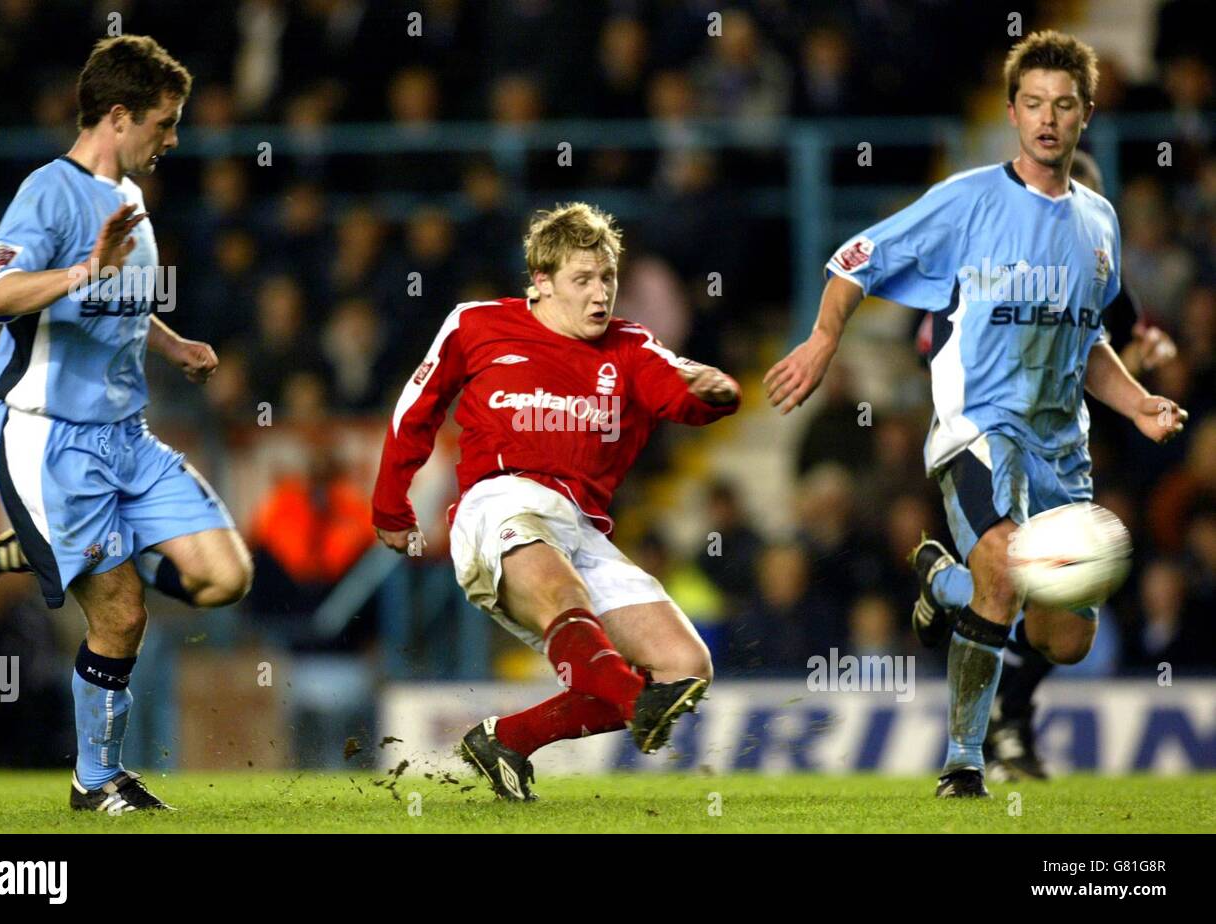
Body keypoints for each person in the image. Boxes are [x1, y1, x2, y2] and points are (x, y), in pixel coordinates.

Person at [764, 31, 1187, 797]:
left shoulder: (1099, 224)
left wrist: (1139, 404)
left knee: (1064, 635)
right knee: (1002, 563)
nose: (1047, 119)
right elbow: (857, 258)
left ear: (1087, 114)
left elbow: (1087, 339)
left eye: (1063, 105)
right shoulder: (967, 201)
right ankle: (963, 761)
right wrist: (825, 338)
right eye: (1033, 104)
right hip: (979, 427)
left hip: (1063, 447)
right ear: (1012, 113)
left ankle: (940, 580)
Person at [0, 35, 253, 813]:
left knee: (226, 578)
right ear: (118, 116)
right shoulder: (50, 193)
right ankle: (97, 782)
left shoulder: (131, 196)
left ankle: (43, 552)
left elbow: (120, 299)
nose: (174, 137)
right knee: (122, 613)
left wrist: (171, 341)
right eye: (165, 121)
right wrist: (80, 269)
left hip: (129, 436)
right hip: (50, 439)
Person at [371, 202, 739, 800]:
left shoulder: (631, 347)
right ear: (541, 282)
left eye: (608, 279)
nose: (601, 296)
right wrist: (391, 505)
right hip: (498, 503)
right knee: (570, 604)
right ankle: (630, 701)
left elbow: (681, 392)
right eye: (583, 280)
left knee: (685, 668)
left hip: (581, 530)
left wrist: (717, 392)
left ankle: (507, 739)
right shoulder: (477, 324)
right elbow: (416, 409)